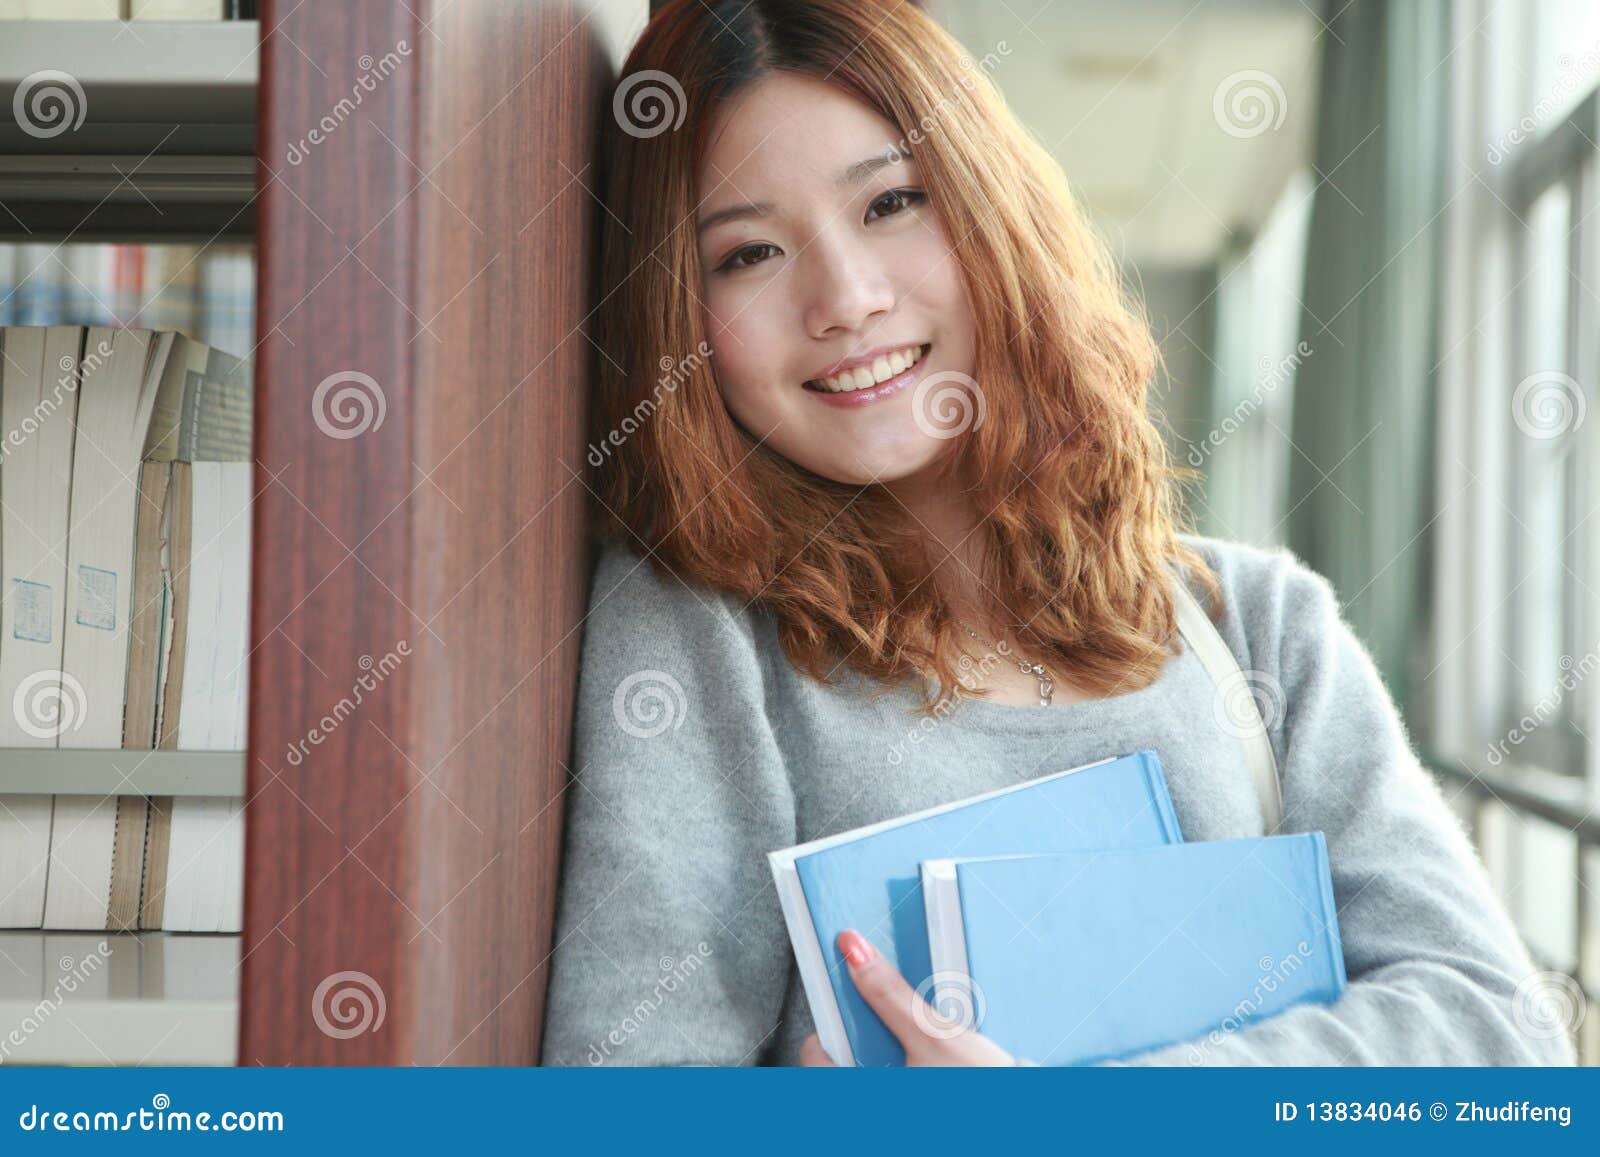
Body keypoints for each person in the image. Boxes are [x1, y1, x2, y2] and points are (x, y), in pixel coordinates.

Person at [537, 0, 1575, 1067]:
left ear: (995, 217)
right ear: (679, 317)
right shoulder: (698, 635)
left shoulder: (1261, 625)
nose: (845, 299)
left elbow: (1501, 1034)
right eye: (749, 253)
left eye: (891, 201)